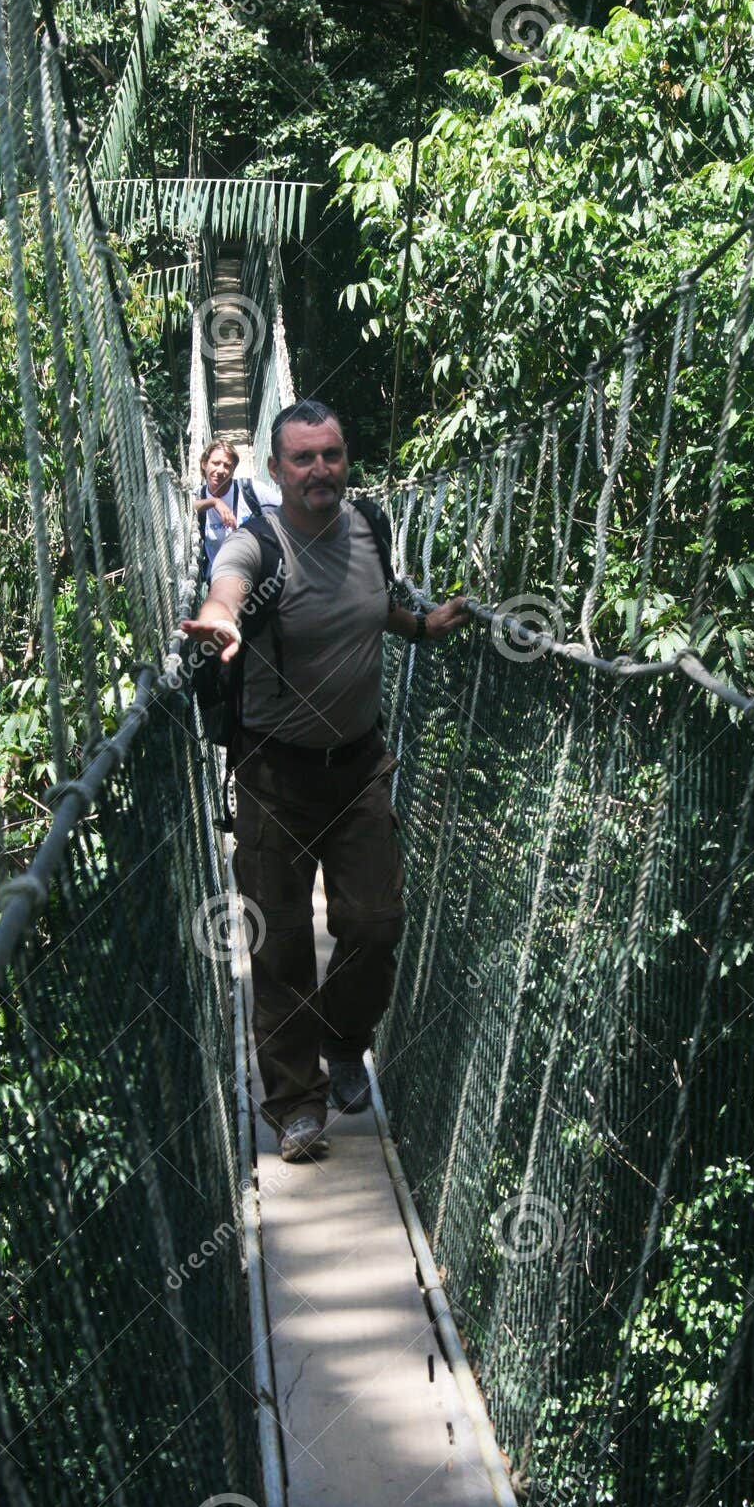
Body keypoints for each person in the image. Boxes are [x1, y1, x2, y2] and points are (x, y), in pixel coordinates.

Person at [182, 400, 469, 1163]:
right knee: (277, 946)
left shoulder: (369, 527)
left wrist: (421, 626)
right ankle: (295, 1105)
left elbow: (371, 608)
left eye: (331, 455)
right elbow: (226, 587)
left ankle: (345, 1044)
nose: (319, 471)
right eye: (302, 459)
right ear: (274, 471)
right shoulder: (255, 544)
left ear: (347, 462)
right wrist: (221, 619)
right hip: (273, 774)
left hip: (359, 767)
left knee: (375, 925)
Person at [192, 437, 280, 579]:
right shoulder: (198, 497)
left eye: (227, 466)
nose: (220, 470)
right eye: (215, 463)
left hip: (260, 580)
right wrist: (214, 502)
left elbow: (289, 509)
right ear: (204, 464)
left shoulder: (251, 491)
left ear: (233, 470)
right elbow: (186, 508)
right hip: (220, 582)